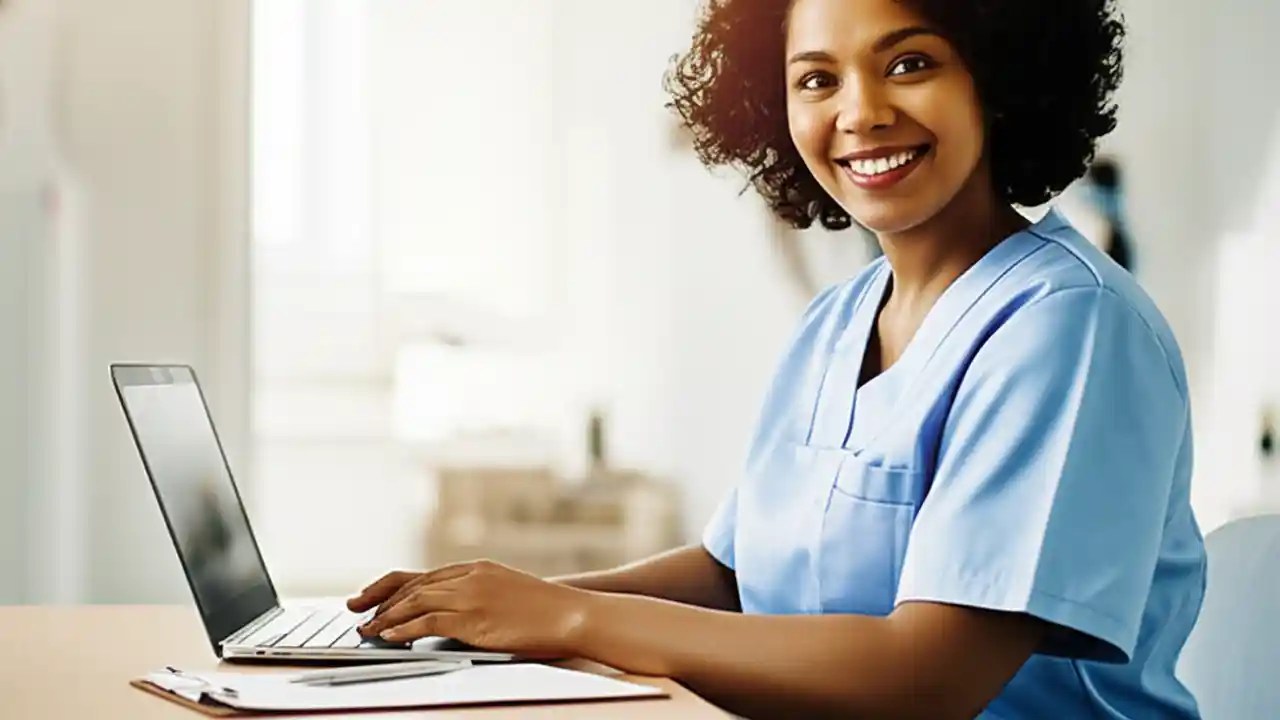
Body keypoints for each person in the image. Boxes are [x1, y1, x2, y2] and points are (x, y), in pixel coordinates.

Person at [347, 0, 1206, 717]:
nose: (859, 111)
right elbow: (733, 573)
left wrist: (568, 618)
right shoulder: (837, 321)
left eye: (909, 64)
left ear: (999, 76)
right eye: (816, 79)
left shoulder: (1068, 325)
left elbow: (929, 678)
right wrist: (485, 609)